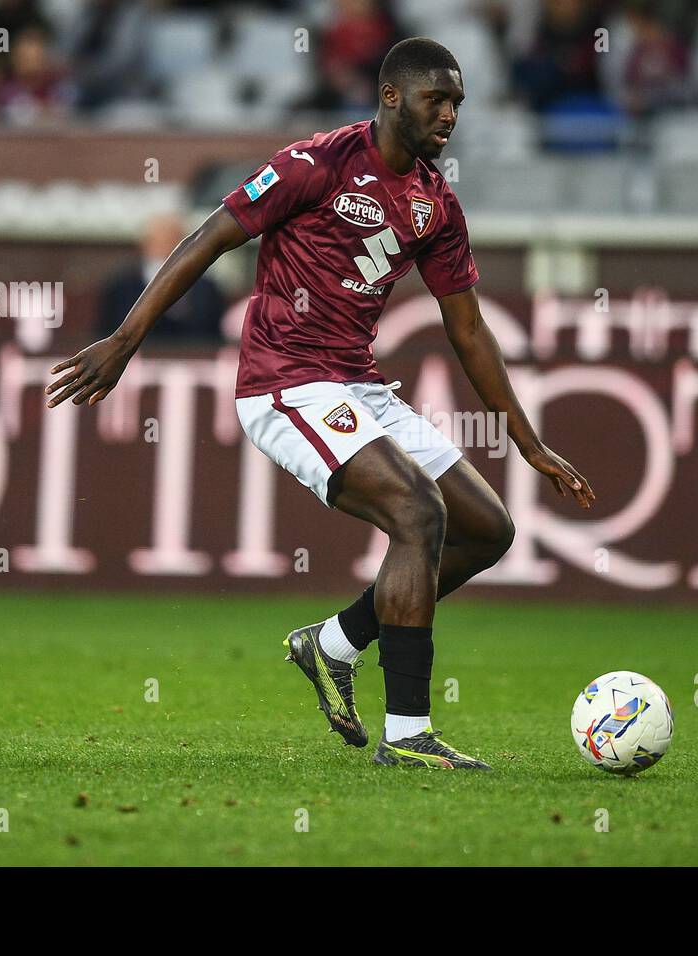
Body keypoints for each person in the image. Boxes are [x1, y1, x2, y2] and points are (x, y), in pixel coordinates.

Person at [46, 37, 595, 771]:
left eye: (458, 103)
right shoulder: (316, 163)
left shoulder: (435, 202)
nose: (450, 115)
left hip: (356, 383)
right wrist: (125, 337)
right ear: (392, 95)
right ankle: (407, 738)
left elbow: (467, 328)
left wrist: (527, 442)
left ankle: (332, 644)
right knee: (417, 513)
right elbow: (211, 236)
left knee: (486, 529)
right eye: (438, 99)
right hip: (283, 380)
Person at [97, 213, 225, 342]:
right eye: (159, 240)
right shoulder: (121, 288)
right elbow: (107, 334)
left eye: (173, 239)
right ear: (145, 243)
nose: (167, 245)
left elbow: (215, 337)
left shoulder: (206, 289)